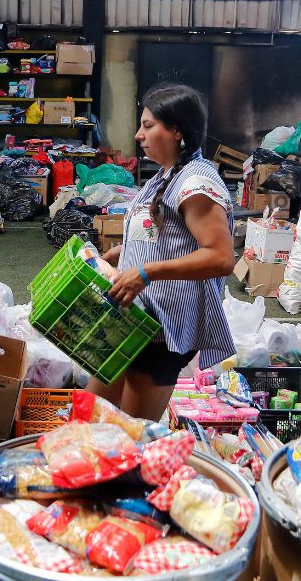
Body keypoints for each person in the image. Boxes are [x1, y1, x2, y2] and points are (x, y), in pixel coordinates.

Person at [90, 83, 236, 420]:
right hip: (135, 315)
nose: (139, 135)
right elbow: (168, 236)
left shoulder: (196, 183)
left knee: (130, 436)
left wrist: (145, 272)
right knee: (95, 420)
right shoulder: (167, 175)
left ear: (176, 131)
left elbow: (220, 257)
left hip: (161, 327)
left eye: (148, 125)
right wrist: (123, 254)